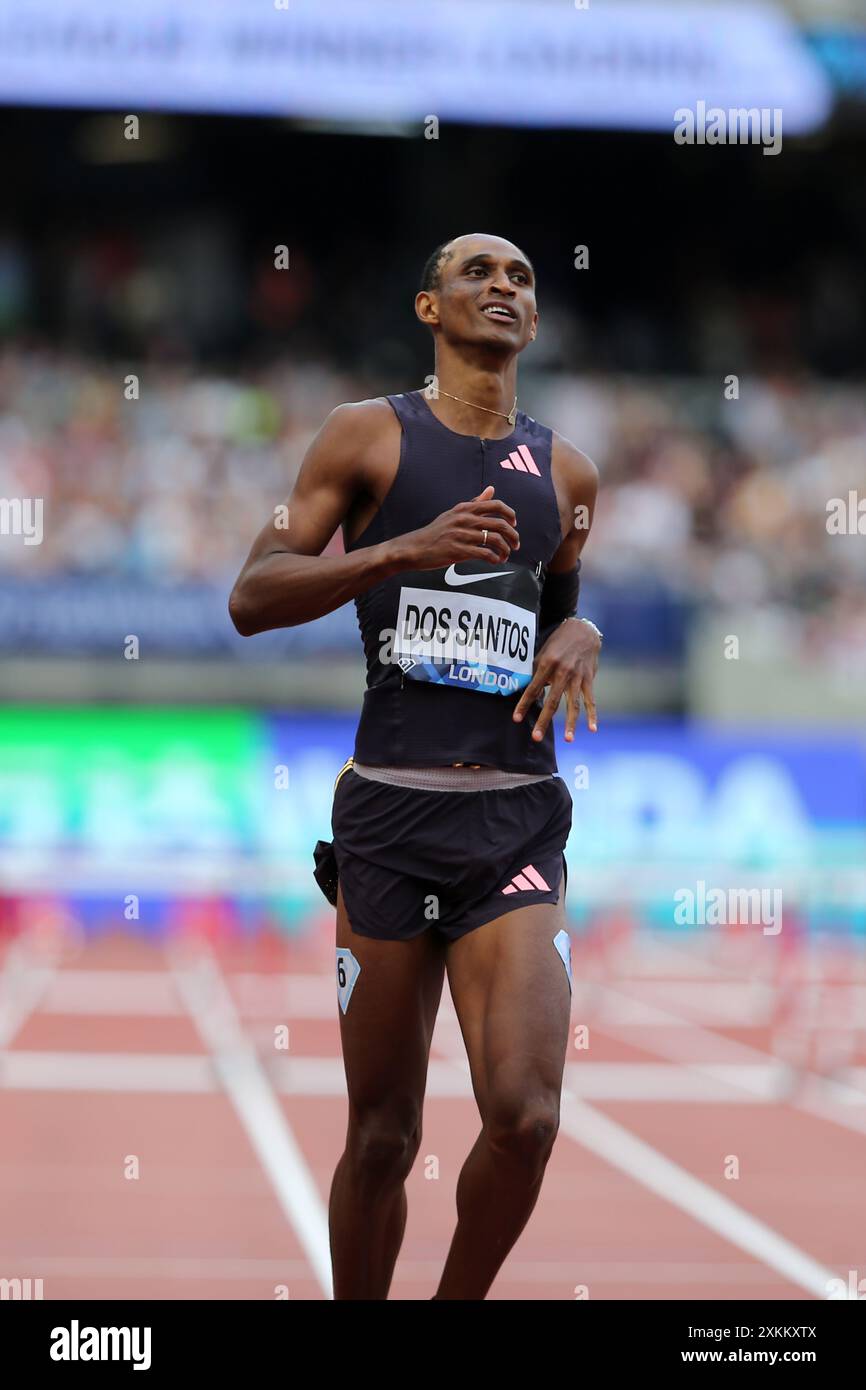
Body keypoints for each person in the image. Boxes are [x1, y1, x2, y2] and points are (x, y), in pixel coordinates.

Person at [229, 232, 601, 1300]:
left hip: (516, 819)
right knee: (383, 1136)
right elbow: (252, 595)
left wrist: (584, 638)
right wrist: (397, 548)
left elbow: (554, 619)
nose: (501, 287)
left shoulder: (567, 474)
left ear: (531, 322)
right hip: (389, 818)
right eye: (476, 273)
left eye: (520, 278)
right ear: (427, 308)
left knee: (524, 1117)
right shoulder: (365, 436)